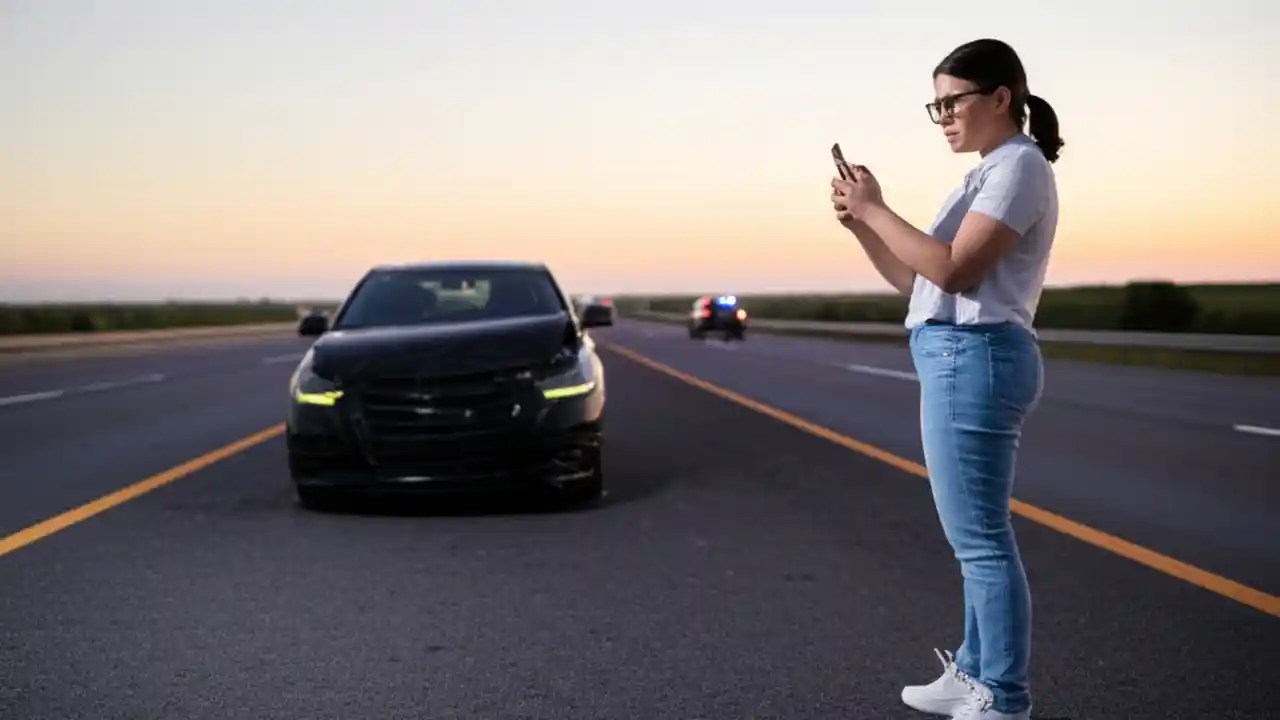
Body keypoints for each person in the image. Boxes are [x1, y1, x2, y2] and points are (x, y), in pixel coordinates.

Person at [829, 38, 1063, 720]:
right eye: (935, 105)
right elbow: (918, 279)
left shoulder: (1018, 168)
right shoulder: (989, 171)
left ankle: (1003, 697)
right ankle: (974, 672)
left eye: (952, 102)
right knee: (974, 539)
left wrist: (877, 209)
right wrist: (862, 226)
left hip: (976, 356)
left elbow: (958, 272)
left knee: (982, 540)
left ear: (1000, 97)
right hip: (959, 354)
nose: (943, 118)